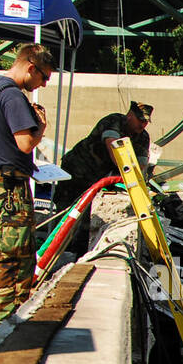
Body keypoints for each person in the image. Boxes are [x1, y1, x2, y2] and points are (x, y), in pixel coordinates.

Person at [0, 44, 52, 326]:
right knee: (14, 260)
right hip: (9, 192)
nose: (43, 84)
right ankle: (8, 326)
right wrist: (40, 127)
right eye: (44, 77)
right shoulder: (12, 96)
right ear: (31, 67)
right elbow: (25, 142)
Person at [55, 100, 153, 257]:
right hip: (77, 169)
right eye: (140, 120)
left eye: (146, 122)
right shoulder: (114, 121)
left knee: (88, 217)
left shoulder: (143, 137)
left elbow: (140, 166)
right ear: (130, 115)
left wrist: (137, 182)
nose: (142, 125)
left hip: (96, 178)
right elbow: (114, 148)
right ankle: (56, 250)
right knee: (66, 211)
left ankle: (78, 253)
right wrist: (126, 174)